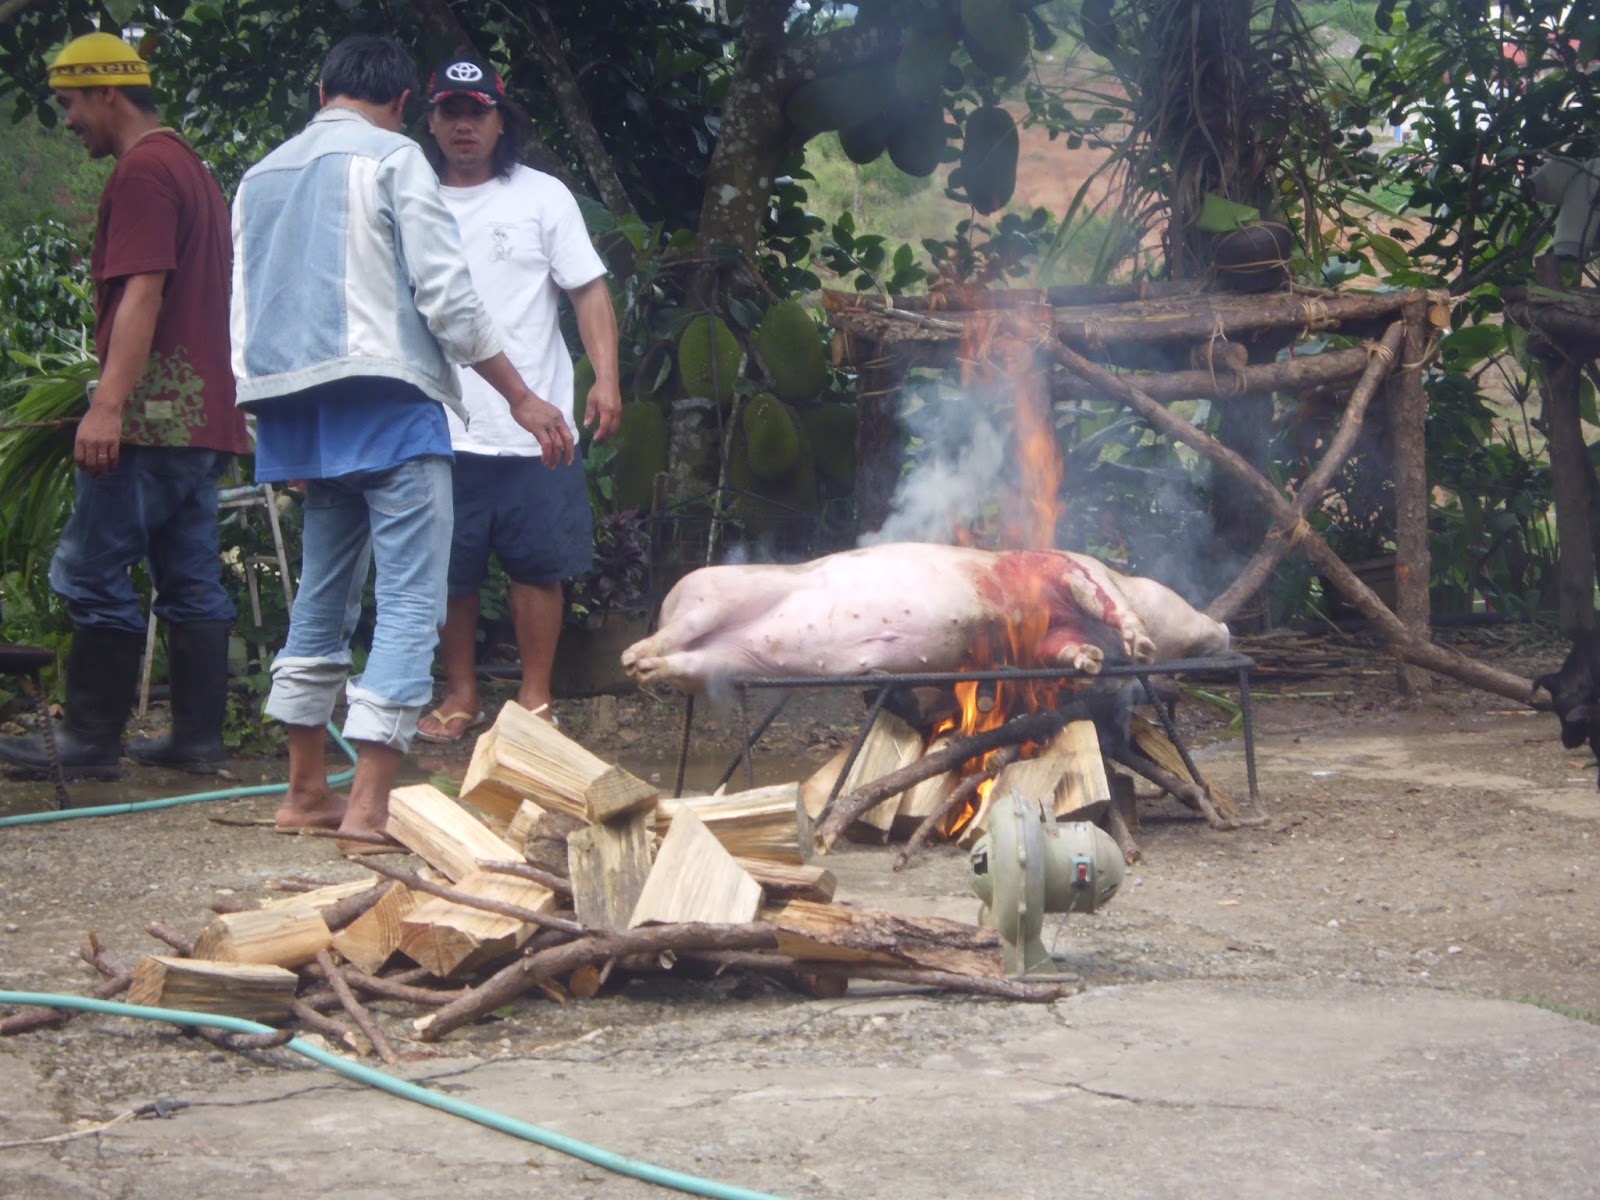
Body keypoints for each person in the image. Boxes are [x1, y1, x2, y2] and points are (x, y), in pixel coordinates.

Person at [230, 35, 572, 843]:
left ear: (323, 94)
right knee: (412, 598)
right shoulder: (393, 159)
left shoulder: (258, 176)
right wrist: (520, 396)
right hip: (389, 401)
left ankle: (304, 792)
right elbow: (447, 296)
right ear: (402, 105)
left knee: (321, 595)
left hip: (296, 411)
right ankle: (369, 806)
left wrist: (266, 423)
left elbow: (241, 305)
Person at [0, 32, 249, 780]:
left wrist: (107, 406)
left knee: (93, 572)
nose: (69, 121)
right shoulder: (190, 166)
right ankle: (196, 741)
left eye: (70, 103)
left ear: (108, 92)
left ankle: (89, 742)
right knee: (191, 579)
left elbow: (143, 291)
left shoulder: (143, 171)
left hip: (147, 420)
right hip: (200, 419)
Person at [413, 55, 621, 743]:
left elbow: (587, 289)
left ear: (501, 121)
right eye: (450, 111)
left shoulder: (543, 196)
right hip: (439, 424)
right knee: (452, 573)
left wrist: (607, 377)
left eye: (477, 112)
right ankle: (462, 694)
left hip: (539, 426)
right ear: (431, 121)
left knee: (538, 567)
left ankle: (535, 700)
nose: (464, 125)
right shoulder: (412, 197)